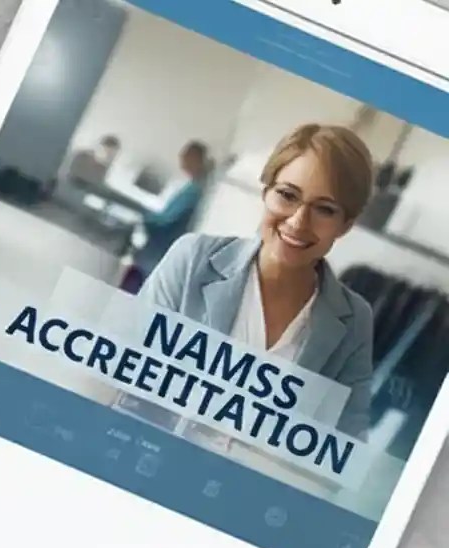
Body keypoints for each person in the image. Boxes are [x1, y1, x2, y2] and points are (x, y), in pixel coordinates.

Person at [140, 123, 376, 438]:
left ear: (345, 225)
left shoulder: (355, 320)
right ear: (266, 192)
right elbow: (117, 366)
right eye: (287, 195)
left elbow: (343, 444)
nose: (297, 222)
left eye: (324, 209)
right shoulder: (192, 259)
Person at [134, 141, 210, 274]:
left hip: (163, 246)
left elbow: (166, 219)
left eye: (185, 157)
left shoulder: (194, 190)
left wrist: (145, 216)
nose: (182, 161)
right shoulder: (195, 186)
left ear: (195, 159)